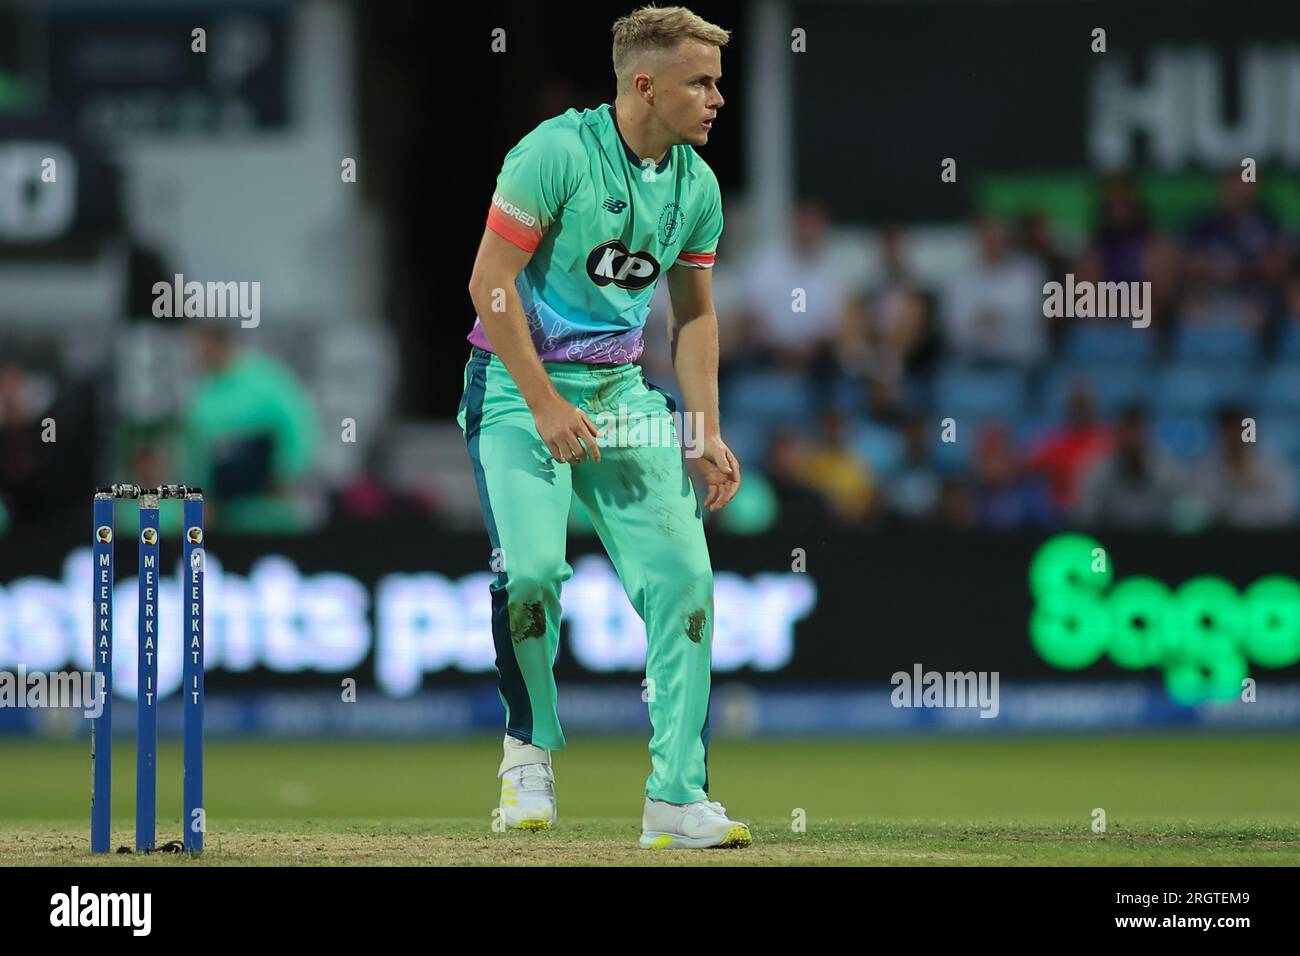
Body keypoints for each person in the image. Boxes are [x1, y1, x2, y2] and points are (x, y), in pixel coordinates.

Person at [461, 6, 749, 849]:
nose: (716, 98)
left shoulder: (696, 186)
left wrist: (702, 429)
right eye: (701, 82)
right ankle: (527, 754)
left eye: (719, 83)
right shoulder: (555, 152)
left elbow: (693, 317)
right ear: (645, 84)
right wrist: (546, 402)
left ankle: (677, 798)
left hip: (624, 395)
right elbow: (491, 287)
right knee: (535, 575)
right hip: (517, 388)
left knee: (686, 581)